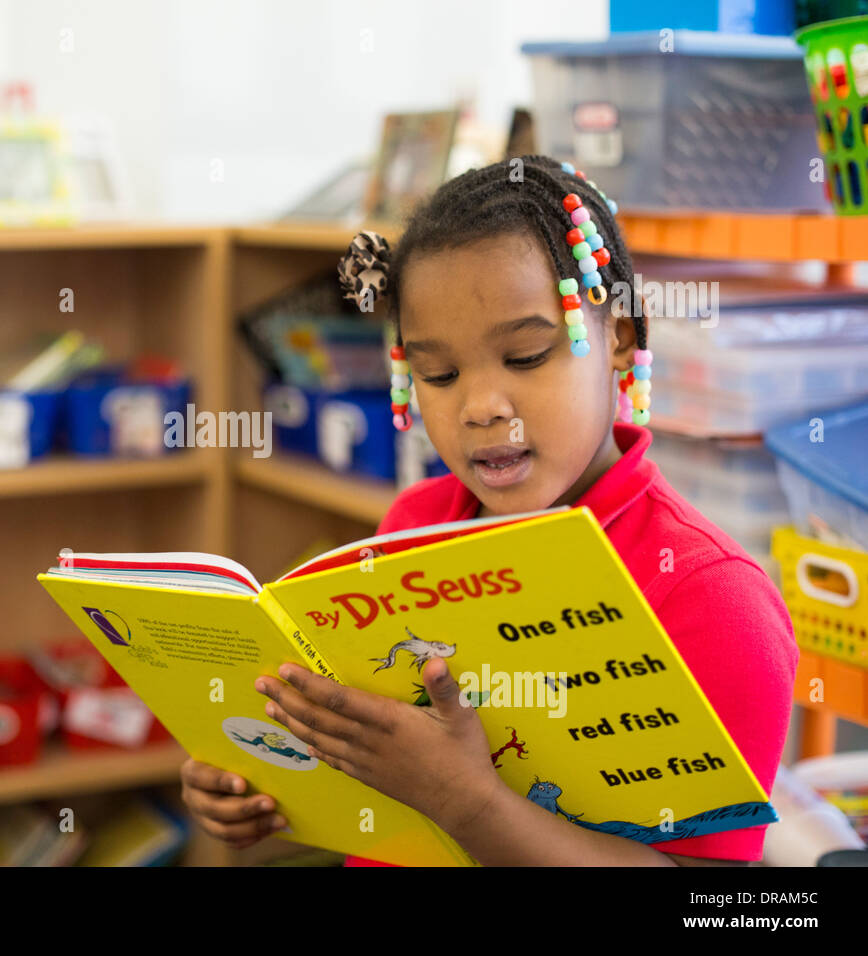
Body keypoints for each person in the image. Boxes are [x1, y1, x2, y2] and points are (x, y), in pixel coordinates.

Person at [180, 155, 797, 866]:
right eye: (438, 374)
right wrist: (267, 774)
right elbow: (373, 771)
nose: (480, 408)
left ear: (620, 340)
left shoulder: (714, 600)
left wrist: (465, 801)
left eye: (527, 356)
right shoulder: (413, 525)